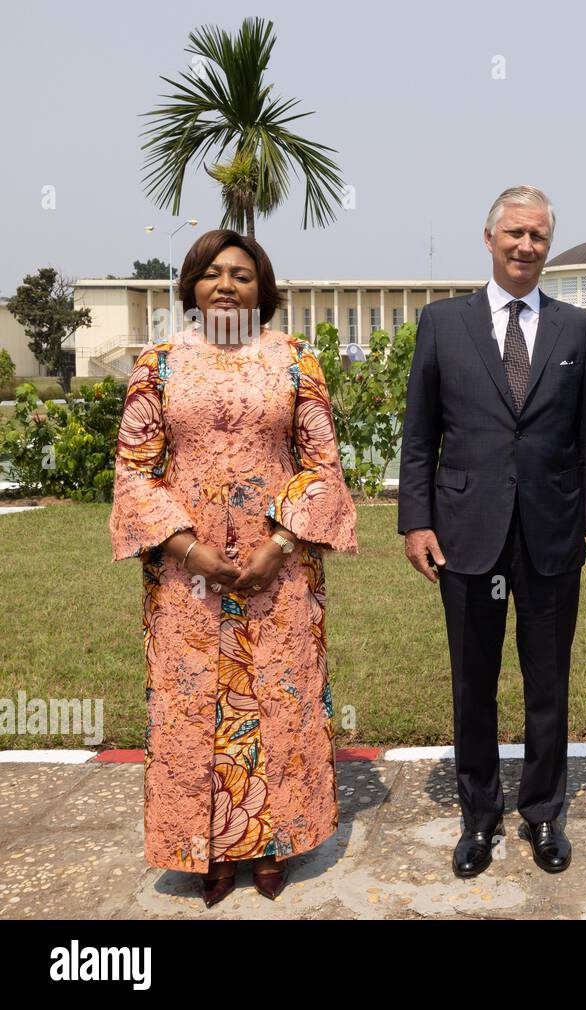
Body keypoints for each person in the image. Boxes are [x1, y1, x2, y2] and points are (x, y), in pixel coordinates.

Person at [109, 229, 357, 907]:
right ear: (190, 286)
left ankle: (277, 844)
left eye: (242, 275)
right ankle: (207, 851)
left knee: (279, 698)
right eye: (213, 272)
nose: (226, 283)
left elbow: (321, 465)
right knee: (195, 705)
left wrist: (278, 545)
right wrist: (190, 550)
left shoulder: (296, 362)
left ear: (263, 288)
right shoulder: (157, 364)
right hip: (186, 573)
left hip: (280, 568)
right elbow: (135, 471)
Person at [398, 186, 586, 878]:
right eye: (515, 233)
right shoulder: (442, 324)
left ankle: (544, 813)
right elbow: (419, 437)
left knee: (548, 682)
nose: (527, 246)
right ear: (488, 238)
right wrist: (416, 522)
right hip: (467, 534)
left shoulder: (576, 329)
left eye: (540, 237)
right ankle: (479, 816)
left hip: (551, 537)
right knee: (474, 682)